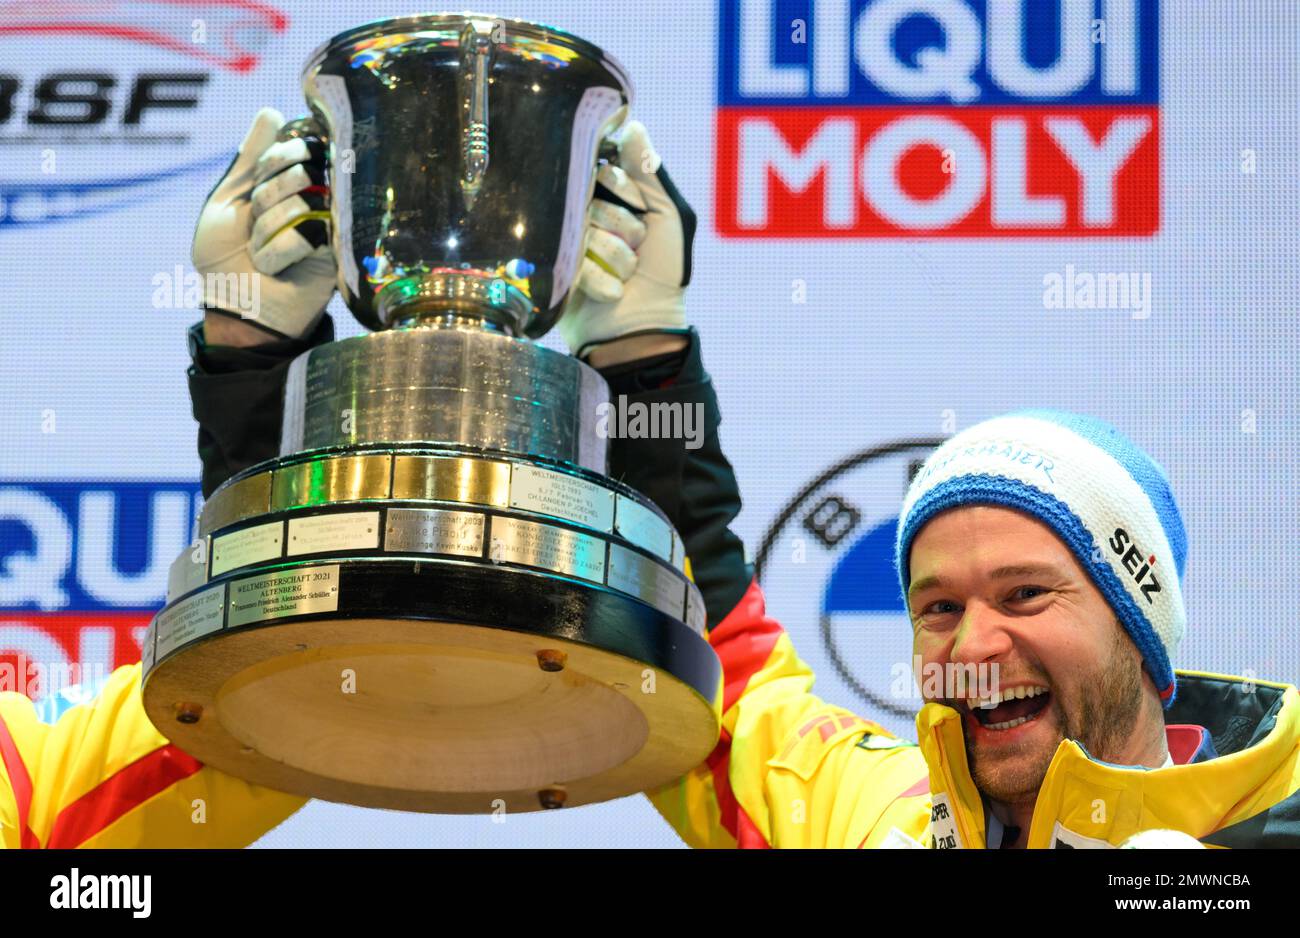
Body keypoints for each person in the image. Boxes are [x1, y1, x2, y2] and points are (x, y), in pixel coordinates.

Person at [3, 110, 1297, 848]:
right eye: (938, 605)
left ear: (1140, 619)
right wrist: (642, 356)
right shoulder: (900, 830)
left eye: (1030, 591)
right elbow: (721, 688)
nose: (975, 641)